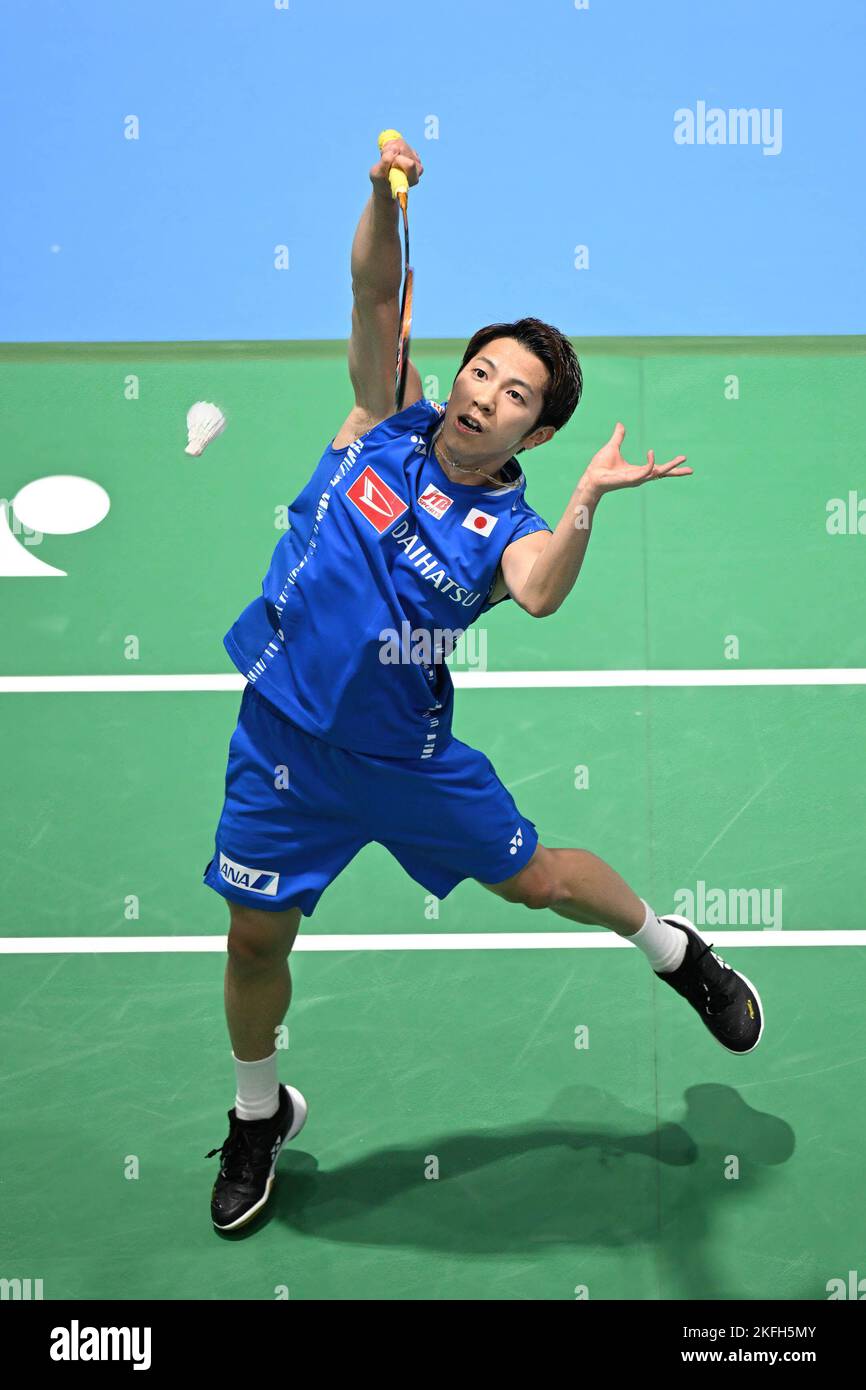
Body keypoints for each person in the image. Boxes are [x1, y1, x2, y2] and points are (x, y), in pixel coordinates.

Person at [202, 135, 764, 1233]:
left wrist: (587, 505)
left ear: (536, 431)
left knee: (541, 880)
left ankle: (674, 950)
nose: (482, 395)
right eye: (479, 371)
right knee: (254, 938)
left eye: (513, 395)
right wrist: (378, 190)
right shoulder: (380, 420)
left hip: (404, 762)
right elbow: (373, 286)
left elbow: (540, 591)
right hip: (280, 741)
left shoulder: (505, 529)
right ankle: (258, 1112)